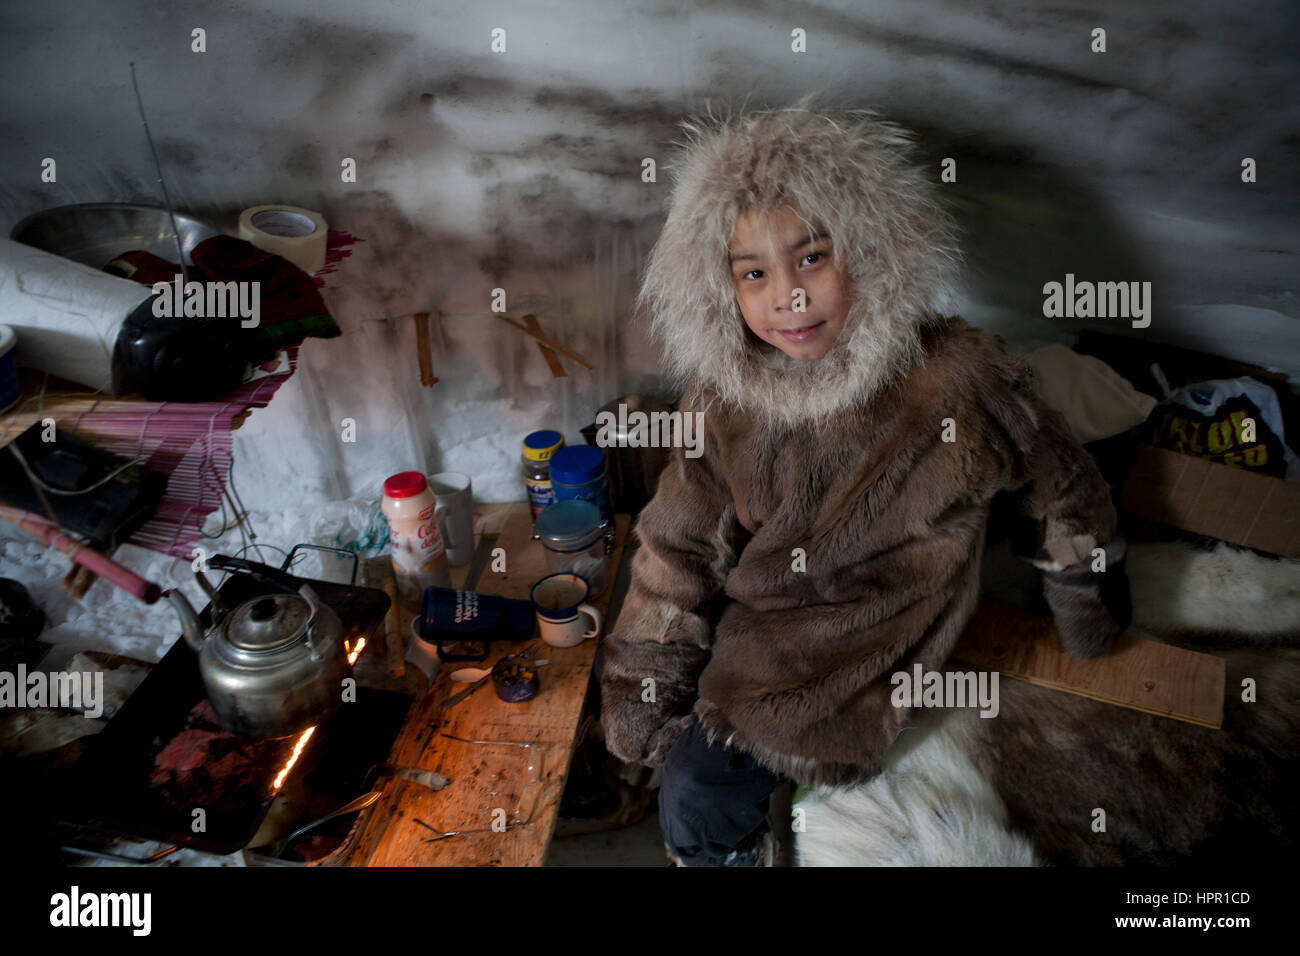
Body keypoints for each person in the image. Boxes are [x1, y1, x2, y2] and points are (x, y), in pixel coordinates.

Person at [597, 102, 1129, 866]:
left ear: (870, 250)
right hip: (769, 630)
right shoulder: (723, 401)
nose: (789, 296)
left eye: (812, 257)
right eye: (753, 274)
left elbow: (1064, 492)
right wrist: (644, 683)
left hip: (877, 639)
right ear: (722, 291)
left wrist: (1091, 607)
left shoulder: (960, 381)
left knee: (711, 785)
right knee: (692, 793)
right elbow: (676, 543)